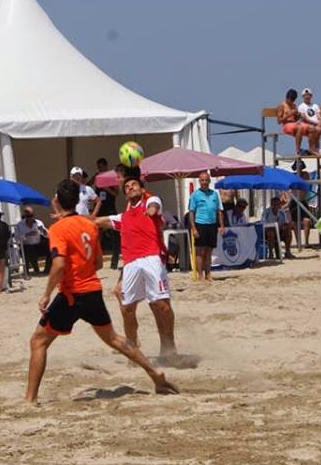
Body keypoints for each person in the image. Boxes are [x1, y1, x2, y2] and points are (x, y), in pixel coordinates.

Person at [25, 178, 178, 403]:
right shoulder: (88, 226)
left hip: (71, 294)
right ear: (78, 199)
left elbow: (58, 265)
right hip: (93, 291)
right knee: (115, 338)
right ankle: (155, 373)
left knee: (38, 341)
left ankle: (30, 398)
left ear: (58, 199)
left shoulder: (58, 228)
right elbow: (97, 263)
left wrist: (47, 293)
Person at [95, 173, 179, 363]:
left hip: (152, 258)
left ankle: (169, 347)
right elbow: (98, 221)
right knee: (127, 307)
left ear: (142, 189)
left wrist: (152, 208)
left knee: (162, 306)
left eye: (134, 185)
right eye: (127, 187)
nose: (131, 187)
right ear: (124, 194)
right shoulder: (122, 217)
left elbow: (155, 206)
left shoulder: (151, 200)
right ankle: (132, 347)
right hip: (131, 262)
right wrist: (72, 218)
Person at [188, 171, 224, 281]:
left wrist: (221, 225)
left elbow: (219, 210)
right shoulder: (195, 195)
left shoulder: (214, 194)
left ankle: (208, 274)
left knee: (209, 251)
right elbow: (191, 212)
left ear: (209, 181)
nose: (204, 182)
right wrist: (193, 228)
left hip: (212, 225)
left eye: (206, 180)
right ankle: (200, 275)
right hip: (200, 225)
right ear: (199, 181)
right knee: (200, 252)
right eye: (202, 180)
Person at [277, 88, 312, 155]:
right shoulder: (282, 105)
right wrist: (289, 114)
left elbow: (295, 119)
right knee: (299, 127)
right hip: (286, 125)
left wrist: (298, 115)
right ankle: (298, 151)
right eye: (289, 99)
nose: (290, 102)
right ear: (287, 97)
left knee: (311, 128)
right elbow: (279, 121)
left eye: (292, 100)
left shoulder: (294, 106)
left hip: (294, 124)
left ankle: (312, 149)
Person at [17, 206, 50, 275]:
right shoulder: (20, 225)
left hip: (37, 245)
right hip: (26, 246)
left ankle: (47, 269)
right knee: (29, 248)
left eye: (31, 216)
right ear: (25, 216)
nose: (30, 218)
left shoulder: (38, 223)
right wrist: (26, 235)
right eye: (28, 216)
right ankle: (36, 269)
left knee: (51, 247)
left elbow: (47, 235)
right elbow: (17, 238)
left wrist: (43, 230)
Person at [261, 194, 293, 259]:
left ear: (279, 205)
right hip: (268, 232)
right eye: (273, 204)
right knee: (271, 233)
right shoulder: (266, 212)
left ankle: (287, 252)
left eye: (277, 204)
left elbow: (286, 222)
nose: (275, 206)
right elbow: (263, 223)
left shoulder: (282, 212)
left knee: (288, 231)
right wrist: (274, 227)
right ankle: (270, 254)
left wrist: (285, 225)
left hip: (280, 231)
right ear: (271, 204)